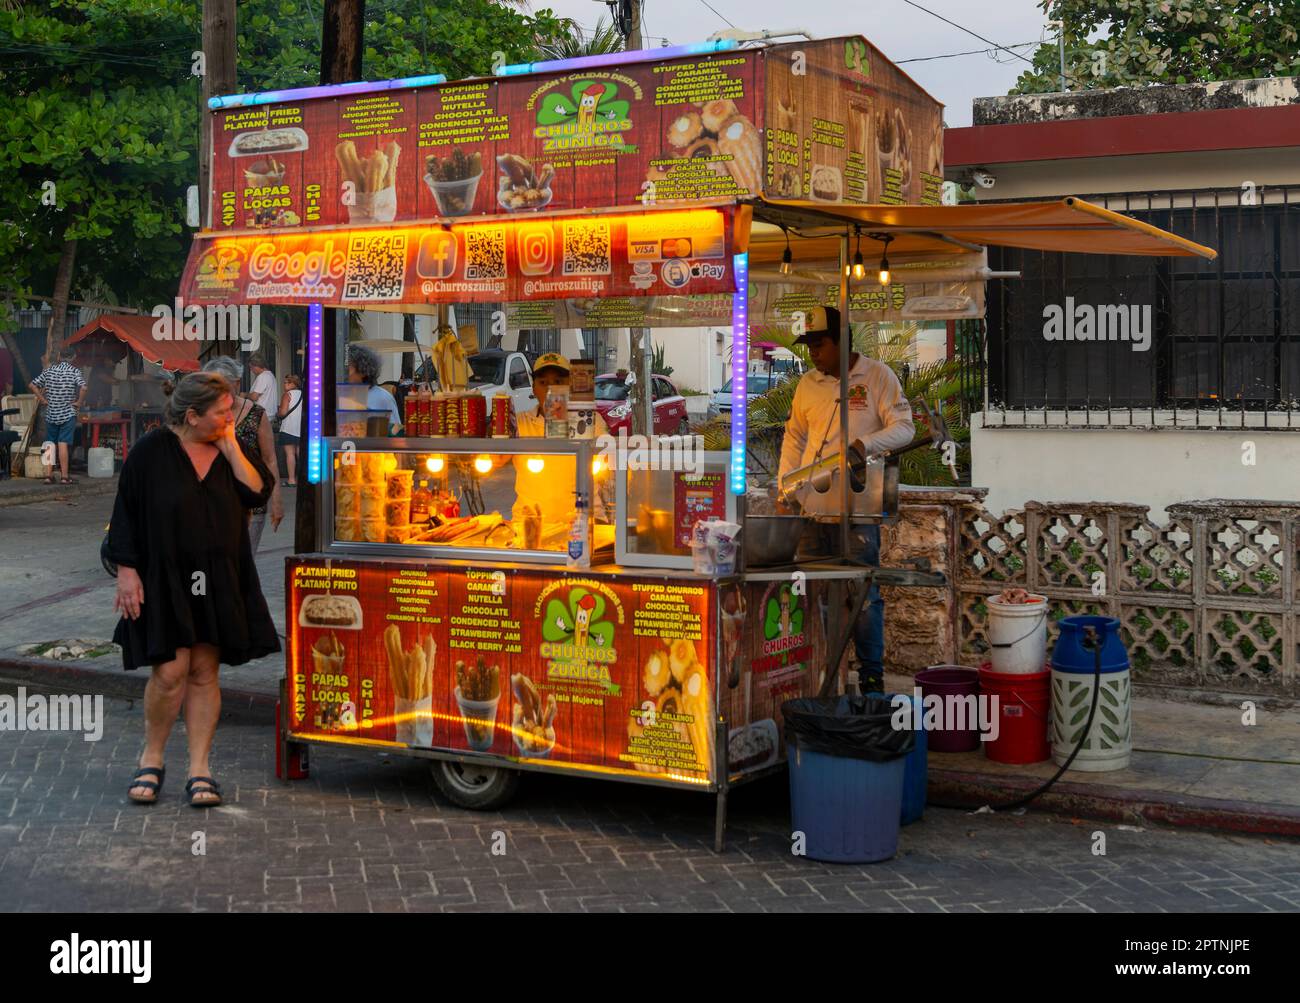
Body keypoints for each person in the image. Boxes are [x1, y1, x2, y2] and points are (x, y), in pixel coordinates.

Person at [108, 372, 279, 807]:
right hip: (165, 576)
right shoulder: (150, 453)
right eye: (222, 412)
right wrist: (127, 572)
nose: (230, 415)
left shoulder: (227, 448)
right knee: (169, 673)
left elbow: (258, 492)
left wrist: (231, 445)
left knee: (205, 670)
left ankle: (200, 767)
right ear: (192, 415)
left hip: (219, 576)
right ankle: (153, 756)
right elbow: (124, 514)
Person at [777, 307, 915, 694]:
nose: (812, 354)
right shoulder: (807, 384)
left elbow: (905, 428)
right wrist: (783, 488)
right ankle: (820, 675)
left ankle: (872, 679)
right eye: (808, 346)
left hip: (858, 513)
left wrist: (864, 444)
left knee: (863, 596)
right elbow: (794, 438)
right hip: (810, 511)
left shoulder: (876, 377)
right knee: (810, 595)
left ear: (842, 342)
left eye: (819, 345)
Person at [513, 353, 610, 528]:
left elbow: (608, 457)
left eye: (558, 382)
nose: (551, 389)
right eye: (543, 383)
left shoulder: (590, 420)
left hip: (585, 522)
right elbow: (495, 460)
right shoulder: (520, 422)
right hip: (531, 524)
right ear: (534, 389)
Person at [202, 357, 283, 552]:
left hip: (250, 505)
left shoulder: (256, 413)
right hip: (210, 504)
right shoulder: (202, 414)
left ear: (236, 383)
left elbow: (270, 459)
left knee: (243, 564)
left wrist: (277, 500)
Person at [30, 346, 86, 485]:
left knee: (49, 444)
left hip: (51, 414)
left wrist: (42, 399)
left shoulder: (49, 371)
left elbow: (32, 385)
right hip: (67, 414)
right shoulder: (74, 371)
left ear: (59, 356)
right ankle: (64, 477)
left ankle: (48, 476)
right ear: (73, 358)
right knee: (62, 444)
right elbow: (84, 387)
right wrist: (79, 402)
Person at [346, 343, 403, 434]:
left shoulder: (383, 397)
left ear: (363, 371)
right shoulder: (339, 395)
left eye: (347, 369)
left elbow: (396, 432)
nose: (342, 373)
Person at [277, 373, 303, 486]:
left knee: (290, 454)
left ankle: (292, 480)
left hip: (288, 428)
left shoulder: (287, 395)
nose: (285, 384)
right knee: (300, 453)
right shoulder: (304, 395)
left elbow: (282, 412)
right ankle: (303, 480)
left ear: (294, 384)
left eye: (287, 382)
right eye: (285, 382)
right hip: (301, 428)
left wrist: (278, 413)